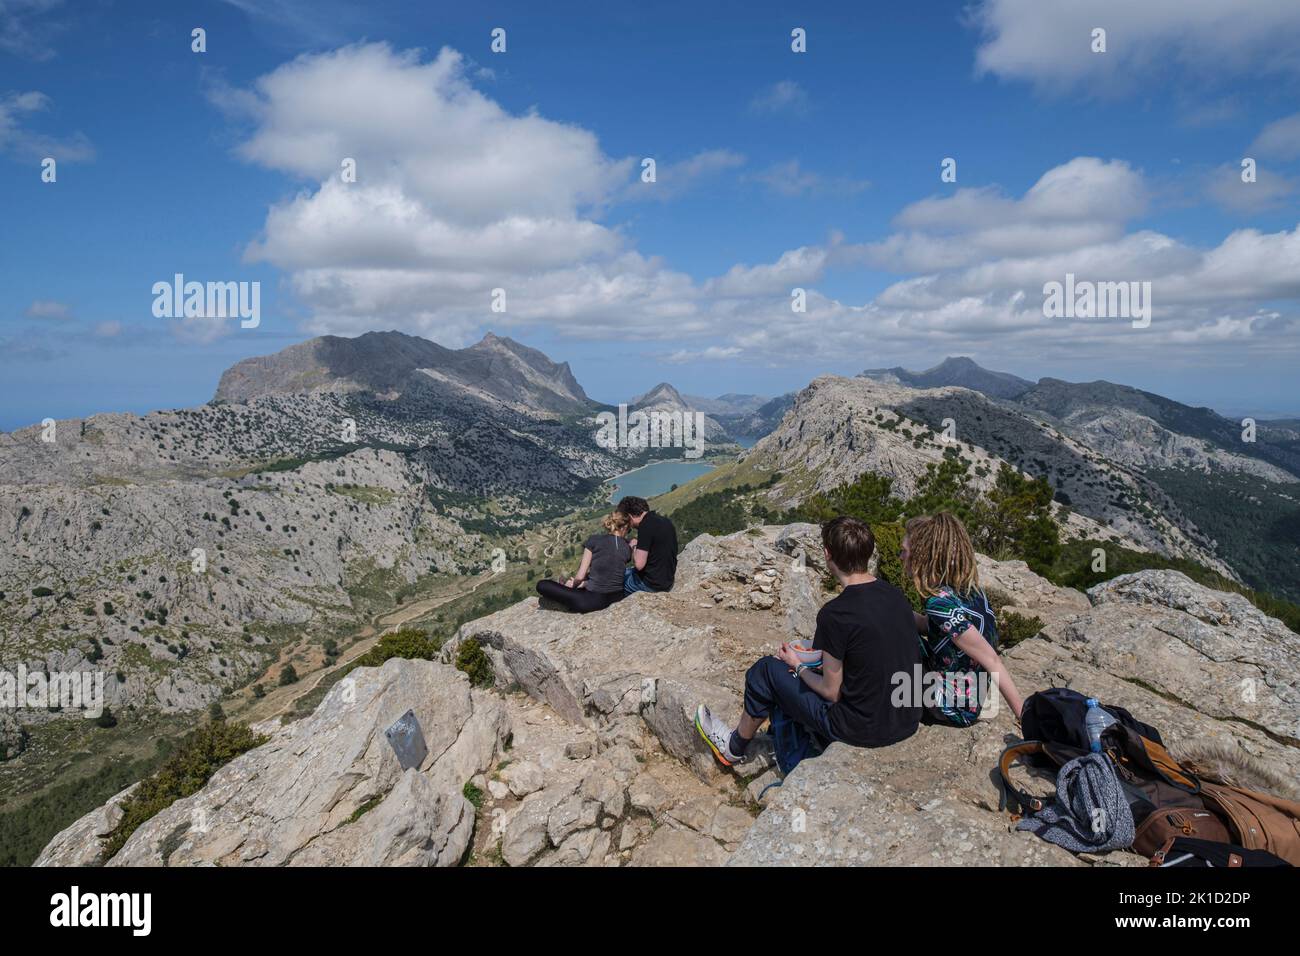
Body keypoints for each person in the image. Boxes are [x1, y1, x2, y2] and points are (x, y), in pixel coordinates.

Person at [694, 516, 922, 767]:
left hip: (861, 729)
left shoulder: (836, 613)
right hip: (906, 718)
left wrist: (797, 664)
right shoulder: (894, 595)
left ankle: (733, 747)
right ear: (868, 552)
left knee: (766, 670)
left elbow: (831, 692)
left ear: (827, 554)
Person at [901, 512, 1025, 724]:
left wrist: (1024, 716)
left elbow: (991, 659)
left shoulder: (939, 603)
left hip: (950, 708)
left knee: (891, 636)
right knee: (893, 623)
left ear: (922, 556)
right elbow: (931, 627)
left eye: (904, 551)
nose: (901, 557)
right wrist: (895, 610)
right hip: (967, 698)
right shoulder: (969, 591)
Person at [535, 512, 632, 613]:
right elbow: (609, 574)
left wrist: (573, 584)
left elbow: (580, 576)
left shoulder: (594, 540)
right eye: (629, 530)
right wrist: (586, 583)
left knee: (542, 585)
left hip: (591, 602)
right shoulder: (627, 548)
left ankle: (563, 600)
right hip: (617, 599)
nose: (628, 532)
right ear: (624, 528)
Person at [616, 496, 677, 594]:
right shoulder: (664, 521)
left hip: (651, 585)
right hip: (667, 580)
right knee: (625, 572)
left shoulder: (645, 526)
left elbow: (639, 565)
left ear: (630, 516)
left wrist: (634, 546)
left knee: (613, 581)